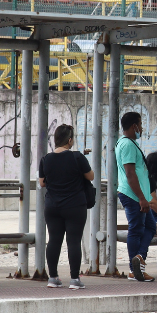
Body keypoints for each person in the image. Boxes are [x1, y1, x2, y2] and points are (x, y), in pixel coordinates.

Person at [38, 124, 93, 290]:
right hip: (75, 205)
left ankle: (53, 278)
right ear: (70, 140)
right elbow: (90, 176)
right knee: (73, 241)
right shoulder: (77, 157)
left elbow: (42, 183)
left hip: (52, 205)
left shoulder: (45, 159)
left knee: (54, 240)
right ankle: (75, 279)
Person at [116, 111, 156, 282]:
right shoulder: (128, 145)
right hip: (133, 195)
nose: (141, 128)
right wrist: (141, 197)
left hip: (136, 195)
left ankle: (139, 258)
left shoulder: (126, 143)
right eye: (140, 124)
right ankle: (135, 269)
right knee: (136, 229)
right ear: (134, 126)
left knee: (150, 227)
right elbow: (130, 174)